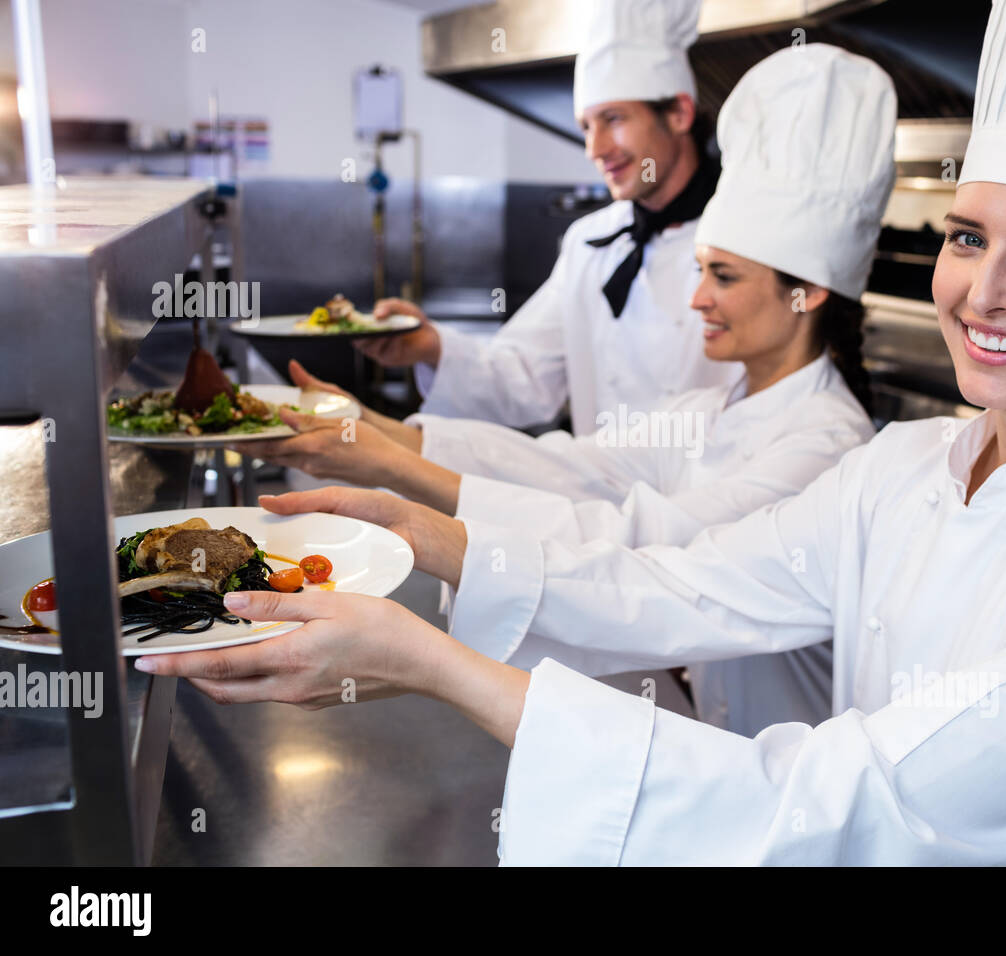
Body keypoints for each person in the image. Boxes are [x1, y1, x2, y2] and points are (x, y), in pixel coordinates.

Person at [140, 0, 1006, 865]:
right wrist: (419, 520)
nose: (981, 292)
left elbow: (840, 804)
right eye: (967, 236)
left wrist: (437, 661)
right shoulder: (904, 468)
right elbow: (678, 579)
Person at [237, 45, 896, 735]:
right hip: (706, 723)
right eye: (702, 270)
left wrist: (415, 505)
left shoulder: (828, 447)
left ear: (807, 292)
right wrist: (375, 434)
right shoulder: (713, 409)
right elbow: (576, 470)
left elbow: (650, 547)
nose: (698, 297)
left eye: (722, 277)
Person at [349, 0, 738, 435]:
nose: (596, 148)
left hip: (722, 499)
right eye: (587, 127)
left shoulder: (745, 238)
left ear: (680, 113)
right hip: (602, 497)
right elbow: (524, 377)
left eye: (613, 119)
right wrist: (431, 347)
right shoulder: (590, 242)